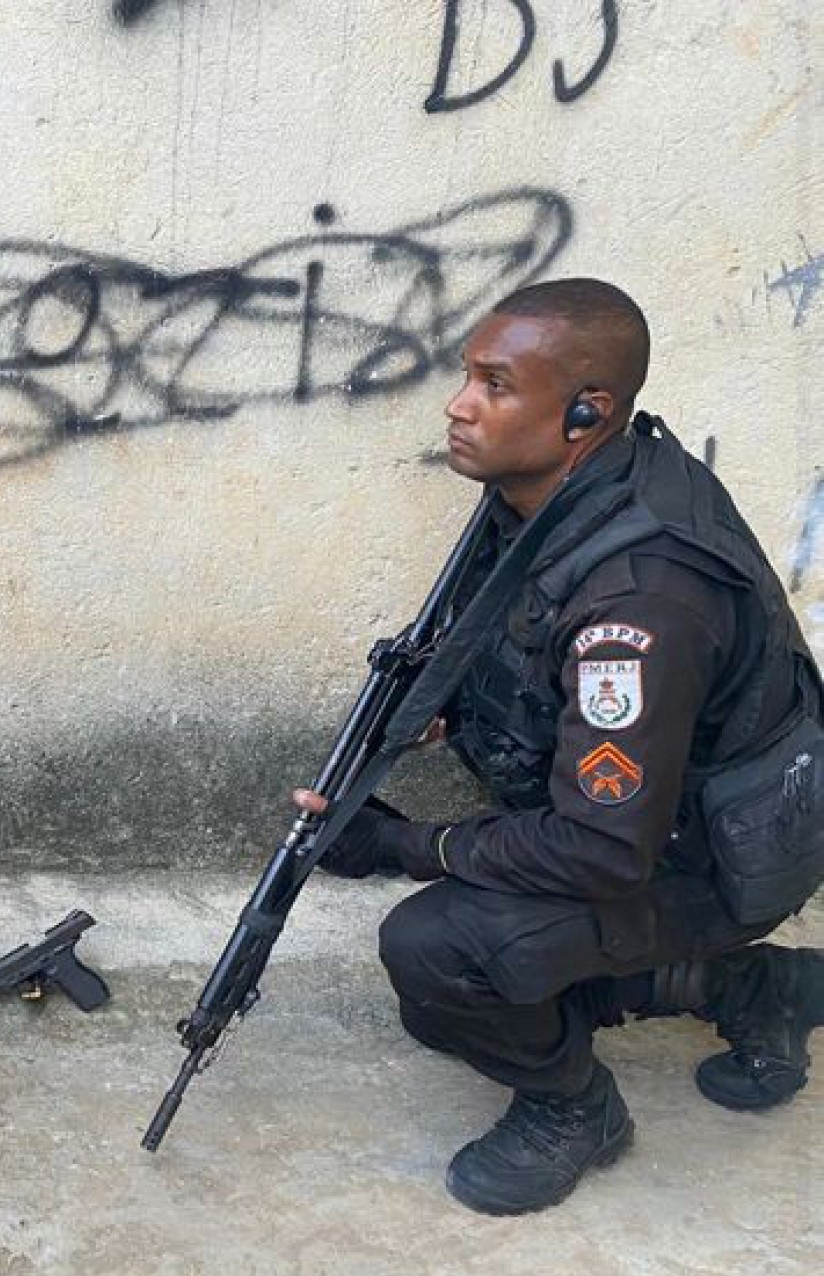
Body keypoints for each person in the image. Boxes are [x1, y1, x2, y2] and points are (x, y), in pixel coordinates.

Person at [302, 278, 824, 1215]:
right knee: (447, 1008)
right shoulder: (567, 492)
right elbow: (533, 649)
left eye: (496, 387)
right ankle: (750, 986)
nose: (460, 406)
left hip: (700, 857)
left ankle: (573, 1111)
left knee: (435, 949)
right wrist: (437, 711)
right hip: (659, 822)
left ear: (589, 411)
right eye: (469, 376)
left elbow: (603, 846)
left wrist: (402, 845)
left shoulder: (643, 595)